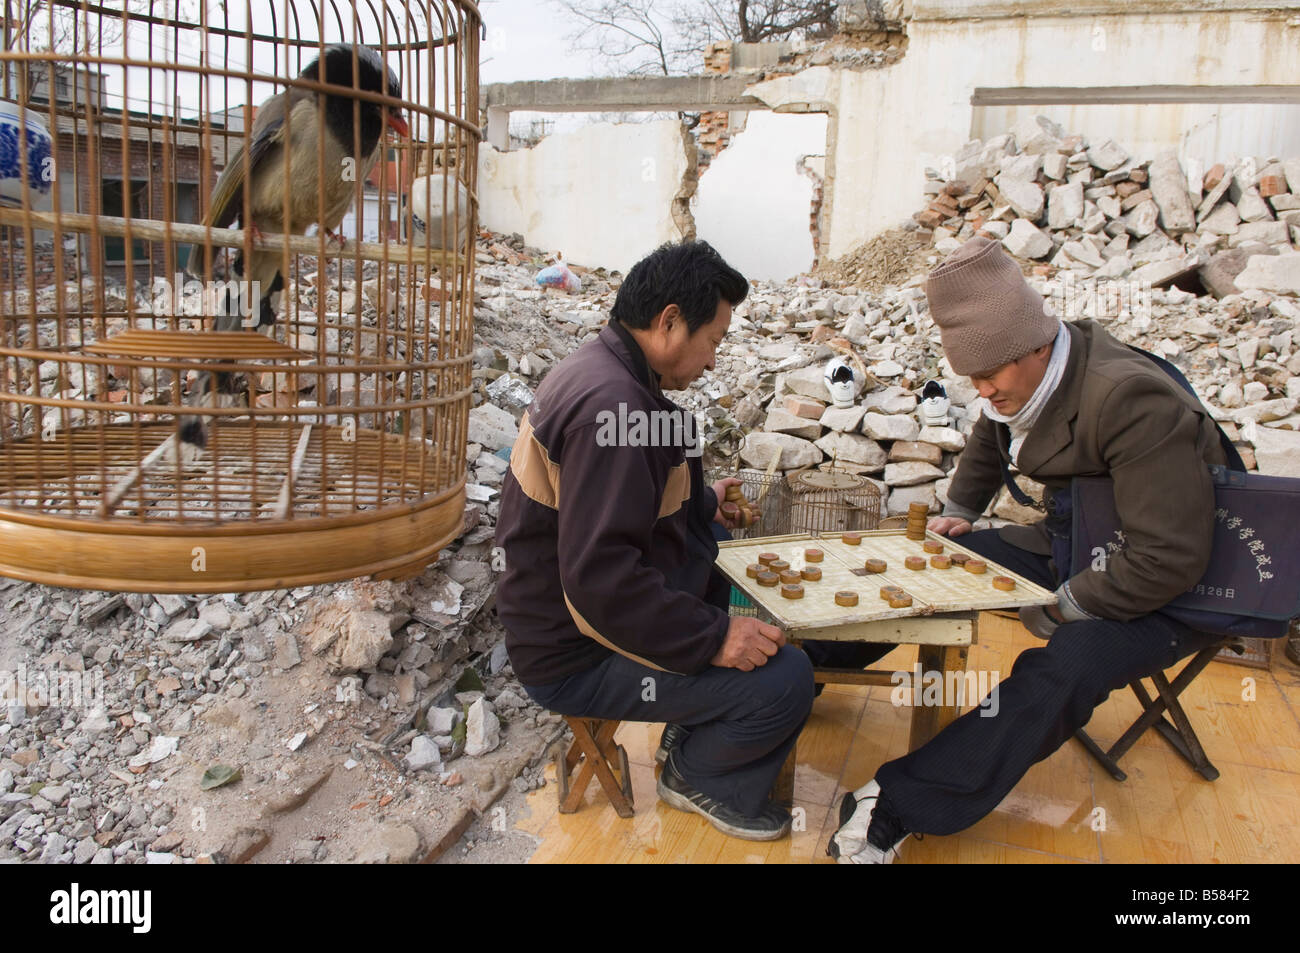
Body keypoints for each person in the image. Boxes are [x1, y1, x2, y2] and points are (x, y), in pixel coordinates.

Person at [828, 235, 1227, 863]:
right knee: (932, 564)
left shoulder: (1129, 399)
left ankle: (896, 802)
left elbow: (1169, 558)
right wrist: (958, 515)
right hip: (1081, 545)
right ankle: (807, 669)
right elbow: (994, 432)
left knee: (1069, 663)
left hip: (1171, 588)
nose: (982, 391)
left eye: (990, 376)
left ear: (1037, 344)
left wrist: (1065, 605)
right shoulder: (1034, 375)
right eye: (973, 379)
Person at [494, 240, 814, 841]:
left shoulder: (610, 374)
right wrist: (714, 637)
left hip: (575, 624)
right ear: (669, 321)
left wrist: (703, 503)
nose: (715, 361)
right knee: (786, 679)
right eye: (714, 340)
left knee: (740, 587)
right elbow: (600, 582)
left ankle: (692, 725)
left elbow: (622, 507)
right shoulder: (611, 409)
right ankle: (697, 777)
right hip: (575, 652)